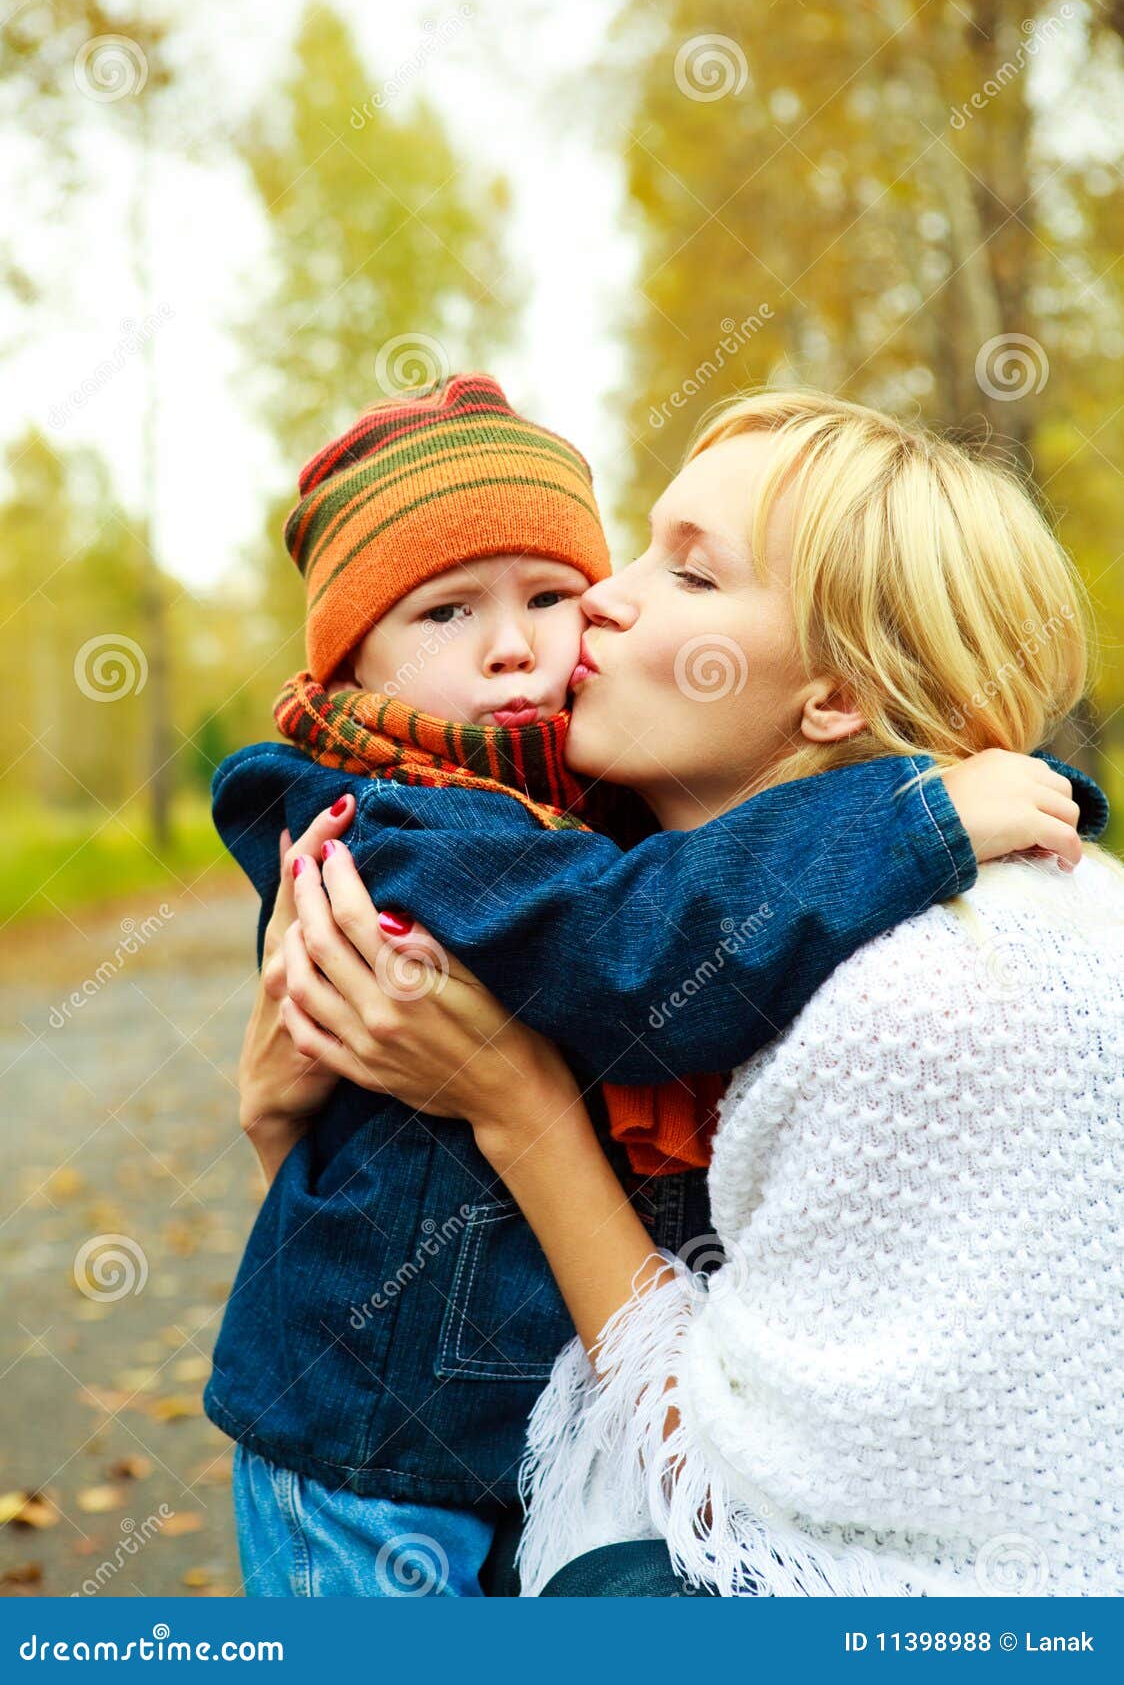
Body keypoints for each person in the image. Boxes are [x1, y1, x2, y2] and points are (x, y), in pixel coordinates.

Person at [268, 389, 1121, 1597]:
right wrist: (276, 1119)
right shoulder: (466, 825)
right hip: (377, 1464)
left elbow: (750, 1504)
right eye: (636, 552)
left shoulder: (917, 991)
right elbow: (630, 937)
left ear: (834, 696)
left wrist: (517, 1106)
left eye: (688, 572)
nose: (596, 603)